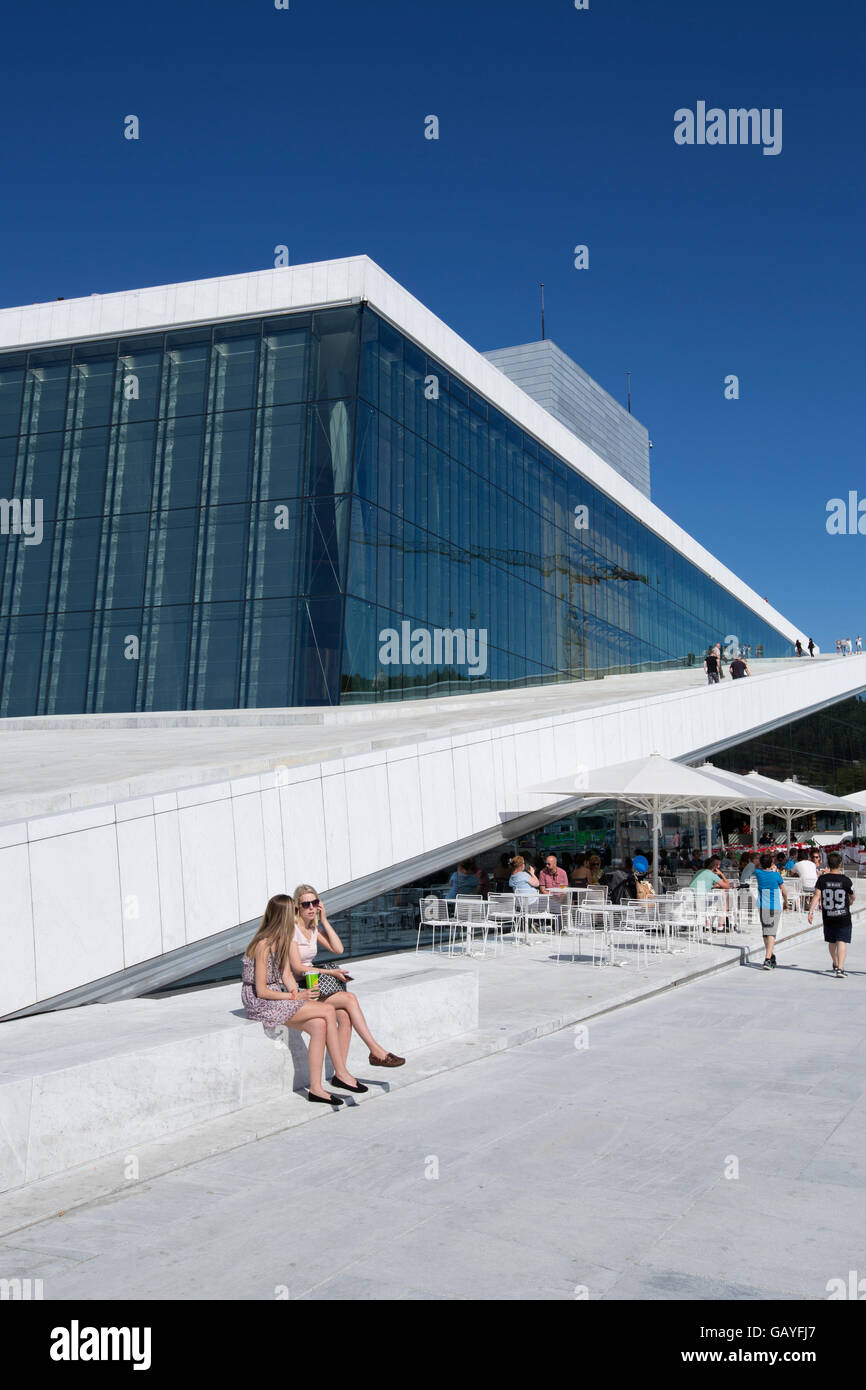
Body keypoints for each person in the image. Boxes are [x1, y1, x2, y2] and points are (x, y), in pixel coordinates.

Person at [241, 894, 348, 1105]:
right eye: (293, 912)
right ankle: (342, 1073)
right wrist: (294, 996)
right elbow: (261, 991)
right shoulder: (263, 945)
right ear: (283, 916)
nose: (296, 916)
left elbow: (287, 975)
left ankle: (316, 1089)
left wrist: (298, 993)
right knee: (327, 1011)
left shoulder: (282, 940)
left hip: (277, 995)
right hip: (260, 1001)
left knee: (318, 1025)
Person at [290, 885, 405, 1079]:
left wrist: (324, 920)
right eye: (306, 904)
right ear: (297, 907)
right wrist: (331, 973)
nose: (311, 907)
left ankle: (340, 1073)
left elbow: (338, 948)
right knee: (349, 999)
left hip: (314, 983)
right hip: (300, 988)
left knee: (344, 1016)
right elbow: (298, 967)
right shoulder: (293, 930)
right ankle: (375, 1050)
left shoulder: (313, 928)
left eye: (315, 903)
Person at [808, 851, 855, 977]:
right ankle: (840, 968)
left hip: (828, 915)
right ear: (840, 864)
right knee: (842, 941)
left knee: (832, 941)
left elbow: (816, 895)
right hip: (843, 915)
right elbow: (853, 895)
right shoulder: (846, 880)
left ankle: (835, 963)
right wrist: (850, 901)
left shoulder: (822, 879)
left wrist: (810, 911)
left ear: (828, 864)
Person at [754, 852, 789, 970]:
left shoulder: (758, 873)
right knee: (771, 932)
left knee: (765, 931)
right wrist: (786, 902)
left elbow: (757, 868)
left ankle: (770, 954)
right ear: (772, 863)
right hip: (773, 905)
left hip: (762, 905)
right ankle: (767, 959)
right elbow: (784, 891)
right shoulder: (776, 876)